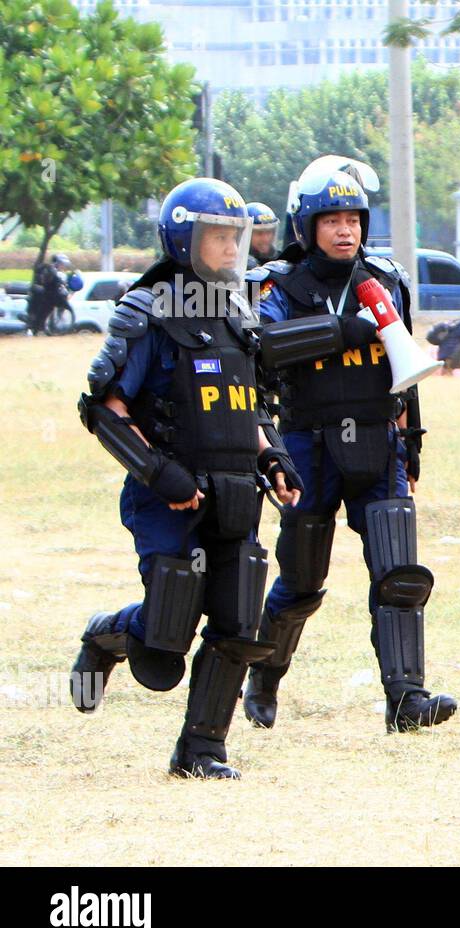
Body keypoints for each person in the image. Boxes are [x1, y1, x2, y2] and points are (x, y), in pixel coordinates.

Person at [71, 177, 302, 778]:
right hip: (167, 496)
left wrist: (273, 458)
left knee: (236, 620)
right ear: (182, 239)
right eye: (217, 238)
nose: (231, 250)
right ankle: (106, 637)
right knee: (167, 634)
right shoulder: (147, 309)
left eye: (235, 237)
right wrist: (160, 474)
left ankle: (201, 750)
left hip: (234, 490)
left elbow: (247, 406)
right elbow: (104, 407)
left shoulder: (236, 312)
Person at [244, 156, 456, 733]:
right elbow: (262, 346)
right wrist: (343, 331)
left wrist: (411, 443)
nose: (346, 230)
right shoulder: (280, 285)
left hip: (380, 442)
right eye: (331, 219)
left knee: (399, 575)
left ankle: (407, 698)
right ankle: (263, 676)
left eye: (354, 218)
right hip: (308, 447)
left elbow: (404, 365)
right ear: (306, 227)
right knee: (301, 583)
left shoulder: (385, 279)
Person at [26, 253, 82, 335]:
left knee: (46, 309)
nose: (63, 266)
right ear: (58, 263)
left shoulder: (53, 270)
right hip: (46, 293)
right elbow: (54, 281)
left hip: (48, 293)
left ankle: (38, 327)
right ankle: (35, 326)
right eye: (62, 264)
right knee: (44, 309)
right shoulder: (51, 270)